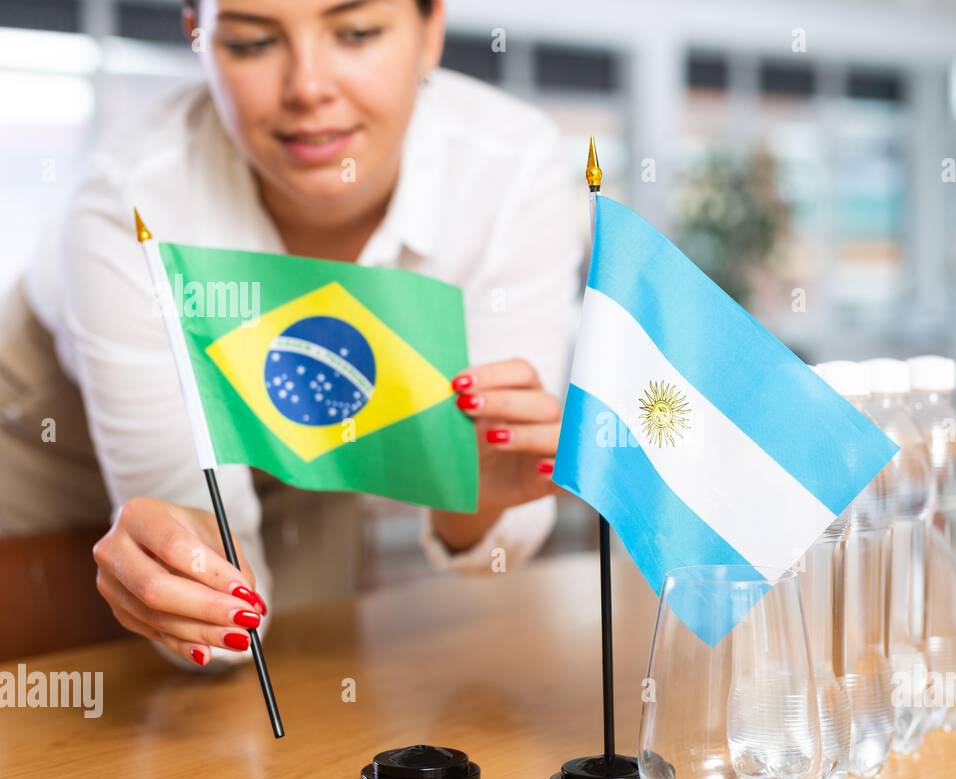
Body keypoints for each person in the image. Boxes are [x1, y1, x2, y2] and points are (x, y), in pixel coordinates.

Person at [6, 0, 586, 668]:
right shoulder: (130, 203)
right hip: (45, 442)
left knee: (304, 681)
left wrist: (473, 498)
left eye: (357, 33)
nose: (308, 87)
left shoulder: (512, 169)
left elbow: (497, 546)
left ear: (431, 31)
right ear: (199, 38)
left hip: (304, 464)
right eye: (253, 42)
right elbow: (205, 593)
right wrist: (195, 592)